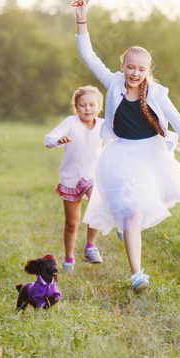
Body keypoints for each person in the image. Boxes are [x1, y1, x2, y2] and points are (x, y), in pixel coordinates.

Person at [72, 0, 180, 292]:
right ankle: (137, 275)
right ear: (122, 66)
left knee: (140, 207)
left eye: (141, 69)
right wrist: (82, 18)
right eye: (130, 67)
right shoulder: (112, 84)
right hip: (120, 155)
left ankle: (128, 229)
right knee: (131, 211)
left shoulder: (157, 93)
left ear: (148, 71)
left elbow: (179, 121)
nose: (135, 73)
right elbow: (88, 55)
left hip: (151, 154)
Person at [44, 86, 106, 274]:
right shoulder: (71, 122)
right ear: (76, 107)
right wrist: (58, 140)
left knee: (96, 202)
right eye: (82, 105)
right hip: (70, 179)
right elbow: (49, 138)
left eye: (91, 105)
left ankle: (90, 247)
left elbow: (115, 143)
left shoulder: (103, 126)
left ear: (99, 106)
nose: (87, 109)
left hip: (91, 175)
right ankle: (69, 259)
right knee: (72, 224)